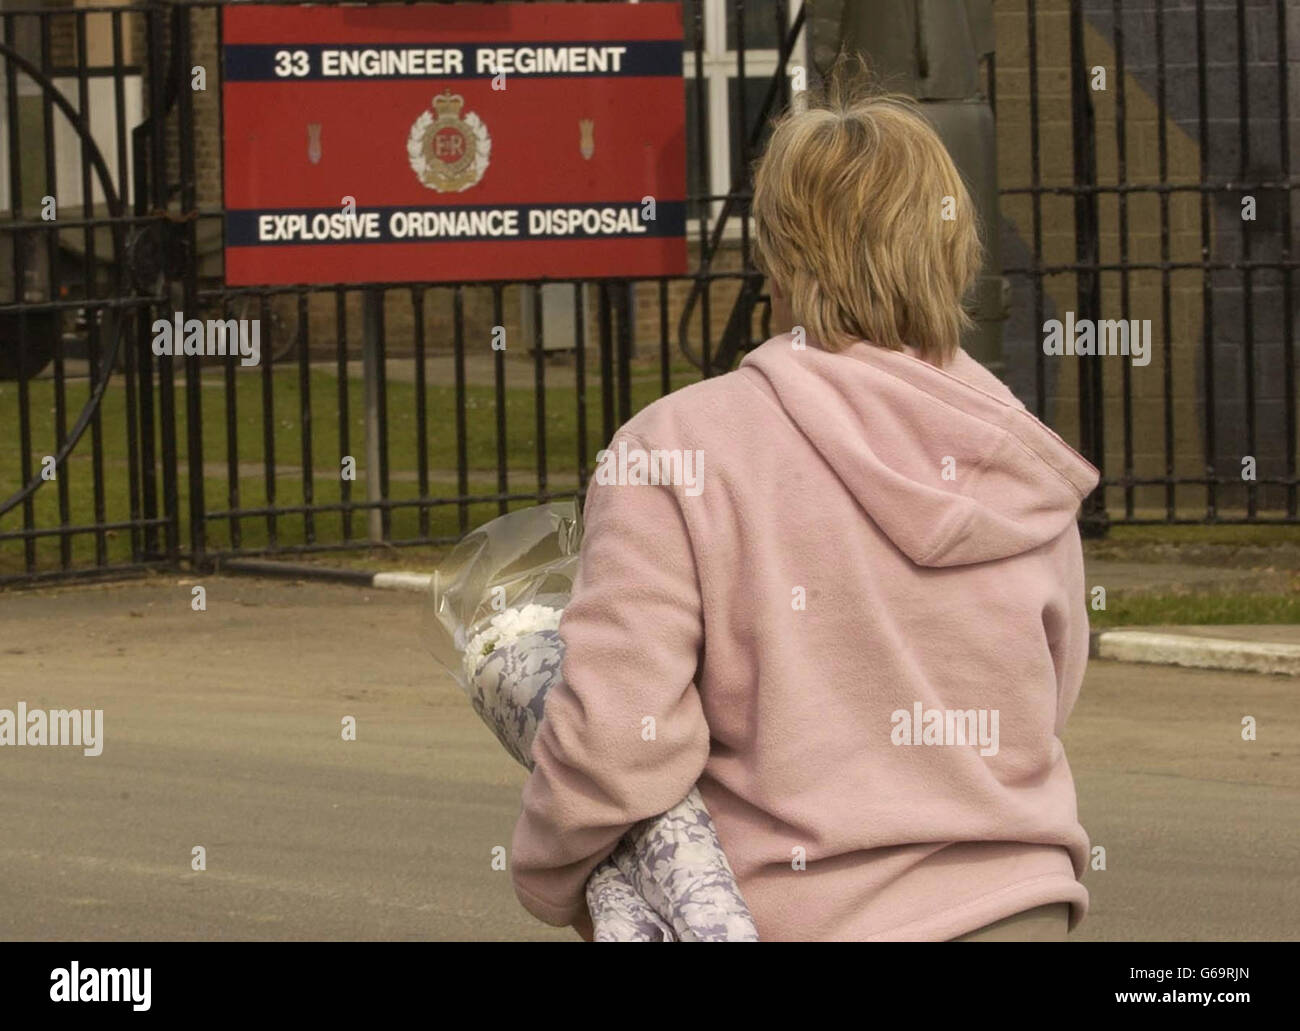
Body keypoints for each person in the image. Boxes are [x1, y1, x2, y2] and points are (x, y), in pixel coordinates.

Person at [509, 76, 1098, 941]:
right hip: (1024, 904)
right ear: (952, 250)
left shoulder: (677, 448)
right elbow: (1047, 696)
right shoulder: (1016, 450)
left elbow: (617, 743)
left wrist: (550, 873)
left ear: (781, 257)